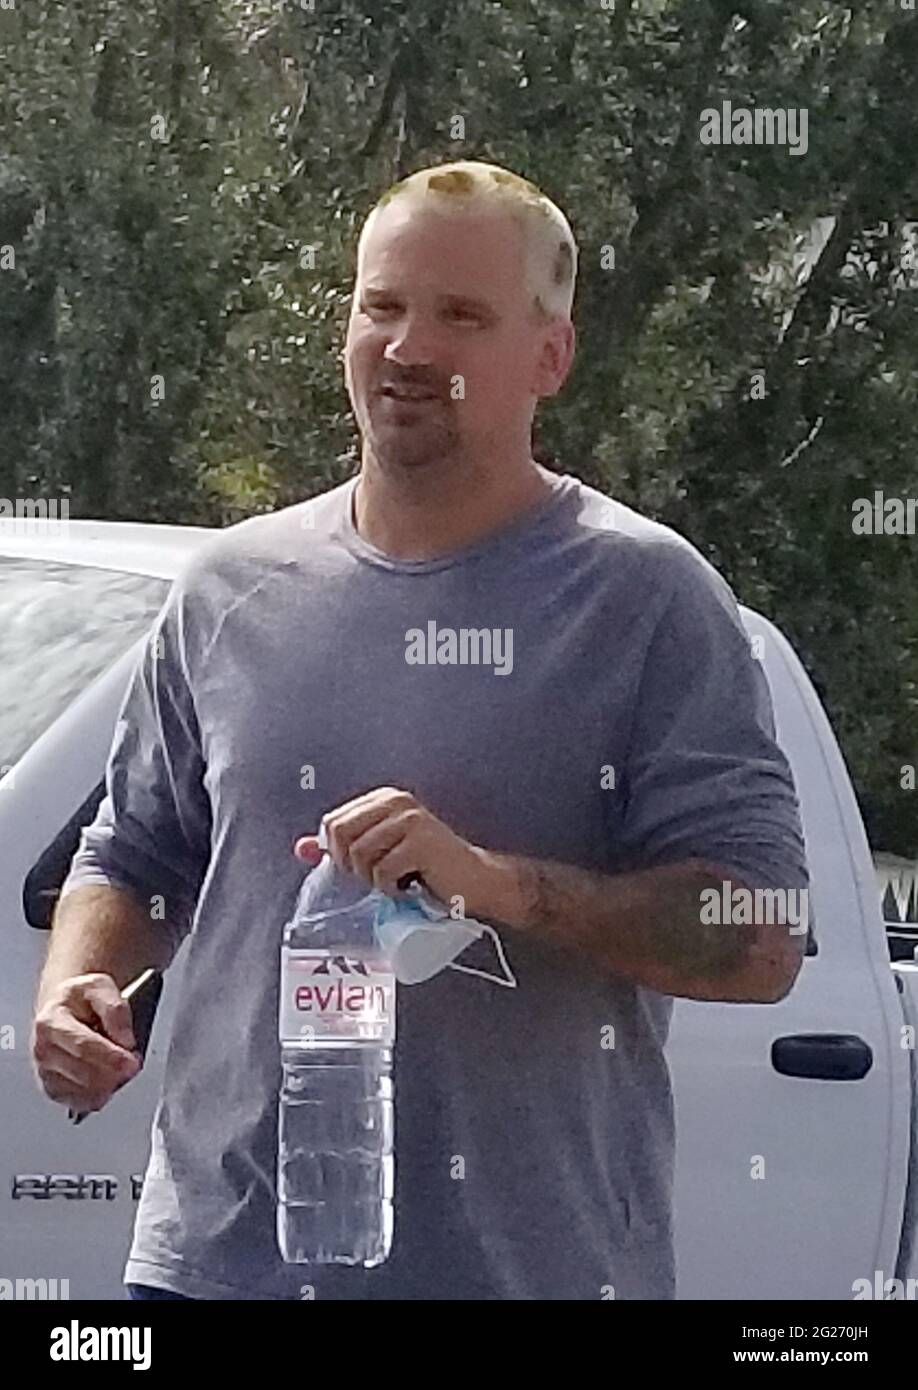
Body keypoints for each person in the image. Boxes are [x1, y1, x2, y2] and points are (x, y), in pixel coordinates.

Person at [31, 160, 809, 1301]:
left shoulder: (647, 599)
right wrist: (80, 986)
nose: (406, 348)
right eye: (380, 306)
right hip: (215, 1265)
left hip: (522, 1272)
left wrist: (501, 884)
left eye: (460, 316)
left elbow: (763, 935)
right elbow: (136, 851)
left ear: (550, 355)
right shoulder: (231, 587)